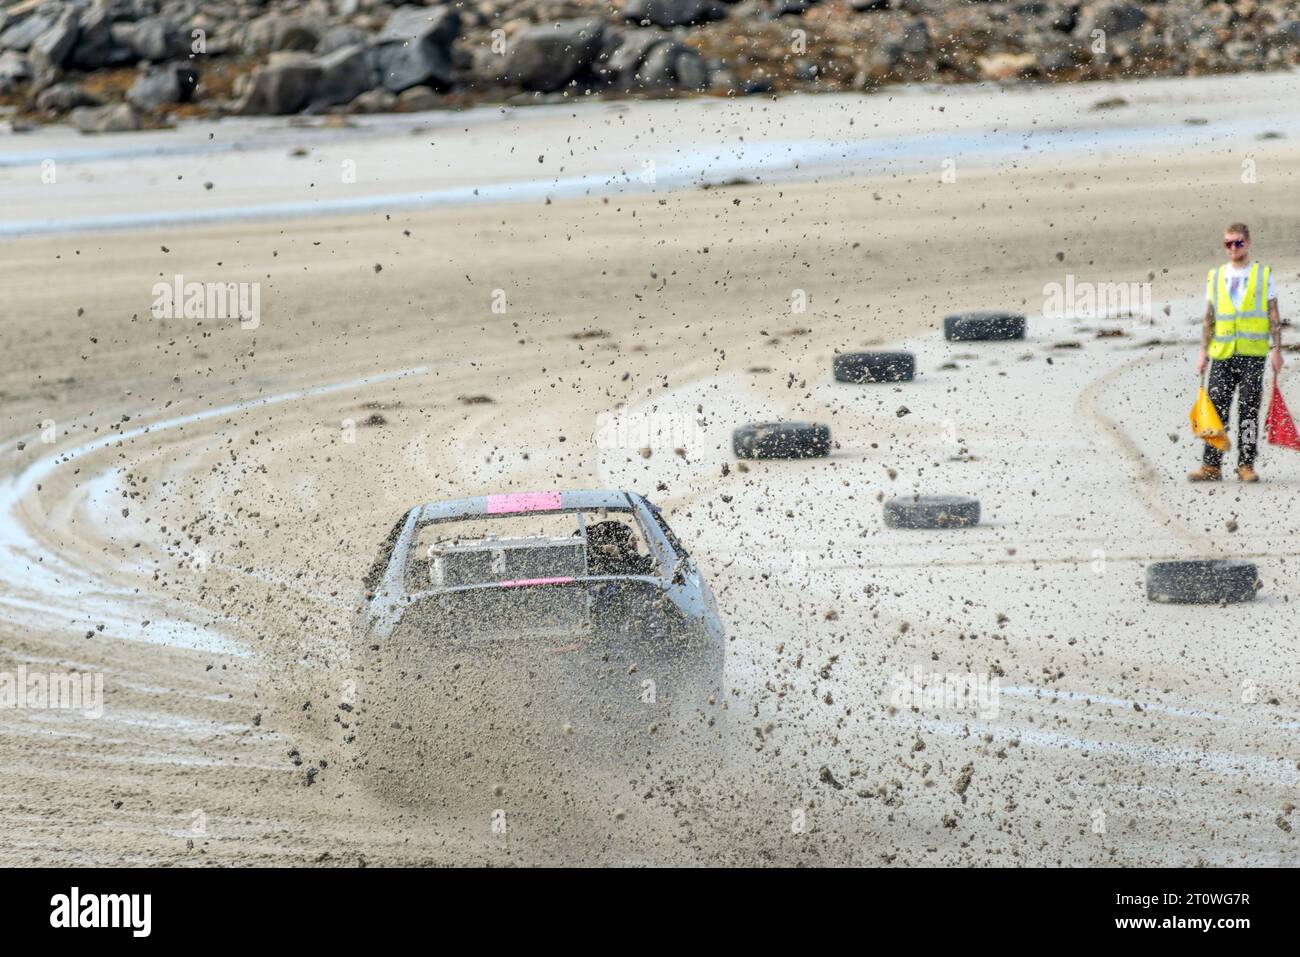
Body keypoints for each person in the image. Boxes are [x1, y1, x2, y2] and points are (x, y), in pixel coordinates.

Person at [1190, 223, 1284, 483]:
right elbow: (1209, 318)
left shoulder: (1263, 275)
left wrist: (1277, 350)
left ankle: (1246, 464)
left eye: (1238, 242)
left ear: (1248, 243)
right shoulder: (1215, 276)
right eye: (1228, 243)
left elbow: (1273, 314)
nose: (1233, 248)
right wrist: (1202, 353)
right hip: (1222, 354)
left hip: (1253, 355)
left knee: (1249, 410)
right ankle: (1211, 466)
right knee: (1216, 409)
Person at [585, 520, 655, 575]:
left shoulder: (588, 564)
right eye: (632, 539)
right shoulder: (627, 560)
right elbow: (647, 567)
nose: (635, 542)